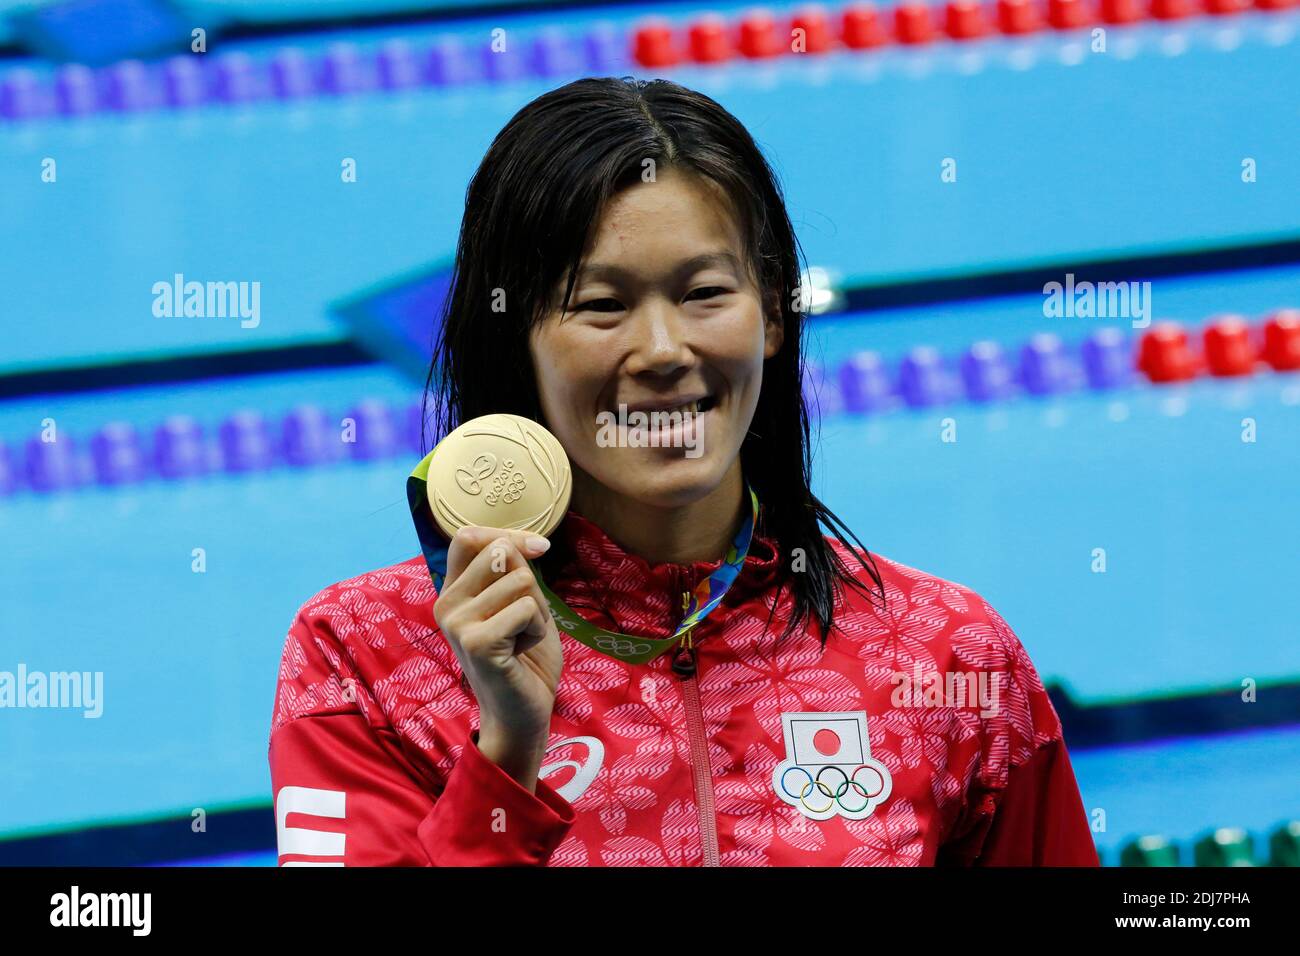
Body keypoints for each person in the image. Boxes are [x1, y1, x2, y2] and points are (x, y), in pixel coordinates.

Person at [269, 76, 1098, 867]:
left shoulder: (947, 657)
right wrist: (505, 762)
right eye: (601, 305)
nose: (664, 352)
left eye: (704, 292)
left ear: (772, 311)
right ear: (516, 338)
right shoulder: (367, 660)